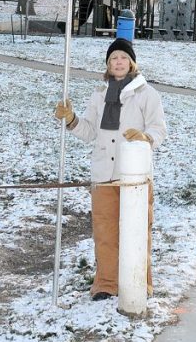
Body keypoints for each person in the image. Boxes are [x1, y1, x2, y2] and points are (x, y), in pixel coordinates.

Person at [54, 37, 167, 301]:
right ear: (107, 64)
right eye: (114, 58)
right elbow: (90, 131)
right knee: (105, 231)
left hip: (134, 176)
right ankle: (106, 283)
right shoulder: (99, 94)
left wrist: (145, 138)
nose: (118, 62)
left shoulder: (146, 94)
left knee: (137, 230)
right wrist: (71, 120)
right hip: (104, 174)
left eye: (123, 58)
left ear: (132, 63)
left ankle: (141, 282)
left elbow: (159, 129)